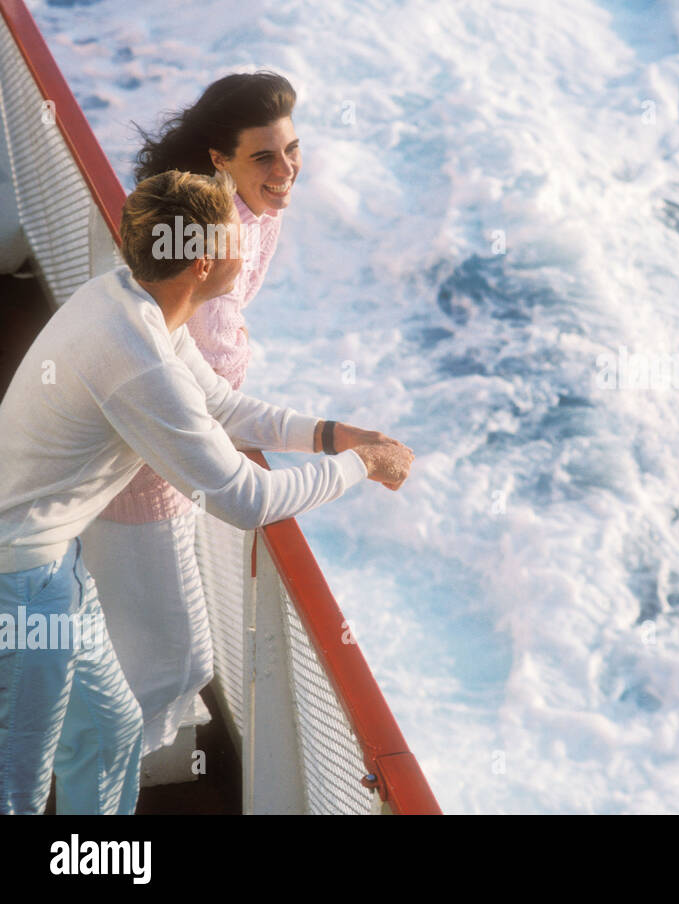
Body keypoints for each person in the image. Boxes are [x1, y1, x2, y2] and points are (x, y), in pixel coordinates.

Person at [0, 169, 413, 814]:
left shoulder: (132, 300)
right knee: (15, 776)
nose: (244, 249)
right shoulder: (139, 356)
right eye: (232, 240)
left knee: (111, 728)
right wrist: (363, 466)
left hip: (54, 566)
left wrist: (334, 436)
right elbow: (244, 498)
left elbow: (221, 405)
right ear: (201, 263)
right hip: (19, 578)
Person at [81, 72, 301, 756]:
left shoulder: (252, 208)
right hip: (142, 463)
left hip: (162, 443)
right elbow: (214, 381)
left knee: (143, 651)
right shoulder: (209, 237)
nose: (286, 170)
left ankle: (102, 776)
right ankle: (97, 803)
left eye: (292, 150)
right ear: (218, 161)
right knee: (175, 665)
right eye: (264, 156)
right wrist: (347, 456)